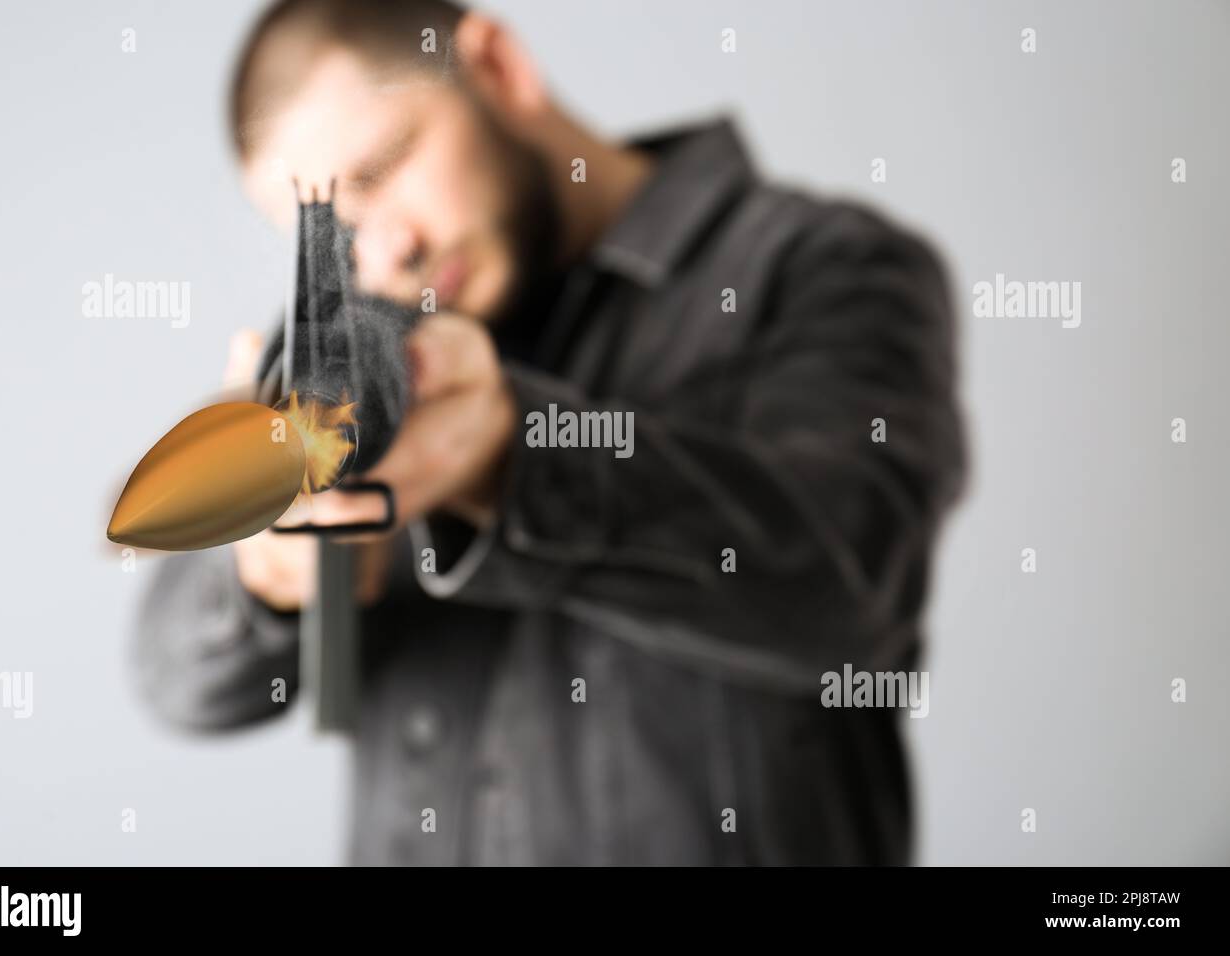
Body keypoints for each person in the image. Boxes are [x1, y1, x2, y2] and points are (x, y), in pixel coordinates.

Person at [134, 0, 967, 865]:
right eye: (330, 234)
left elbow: (852, 588)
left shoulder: (816, 265)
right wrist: (266, 572)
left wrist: (509, 460)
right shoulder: (373, 341)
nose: (387, 248)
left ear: (497, 65)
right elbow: (174, 681)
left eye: (383, 166)